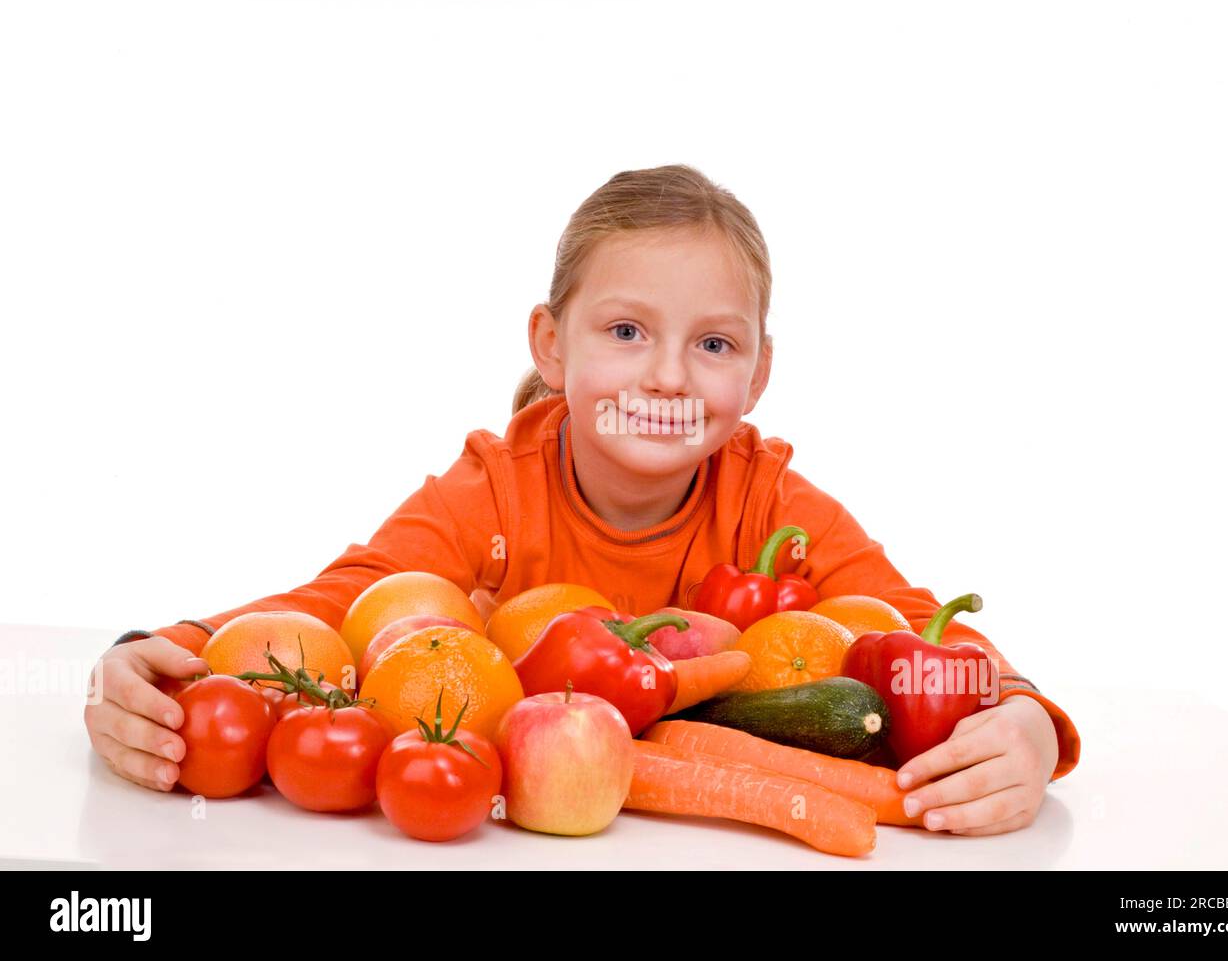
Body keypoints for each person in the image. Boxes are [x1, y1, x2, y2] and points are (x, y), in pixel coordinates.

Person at [84, 164, 1080, 834]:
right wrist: (158, 645)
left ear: (760, 373)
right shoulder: (494, 486)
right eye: (625, 331)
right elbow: (349, 594)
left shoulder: (774, 501)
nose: (667, 377)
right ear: (551, 344)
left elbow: (913, 622)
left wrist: (1028, 720)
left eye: (714, 344)